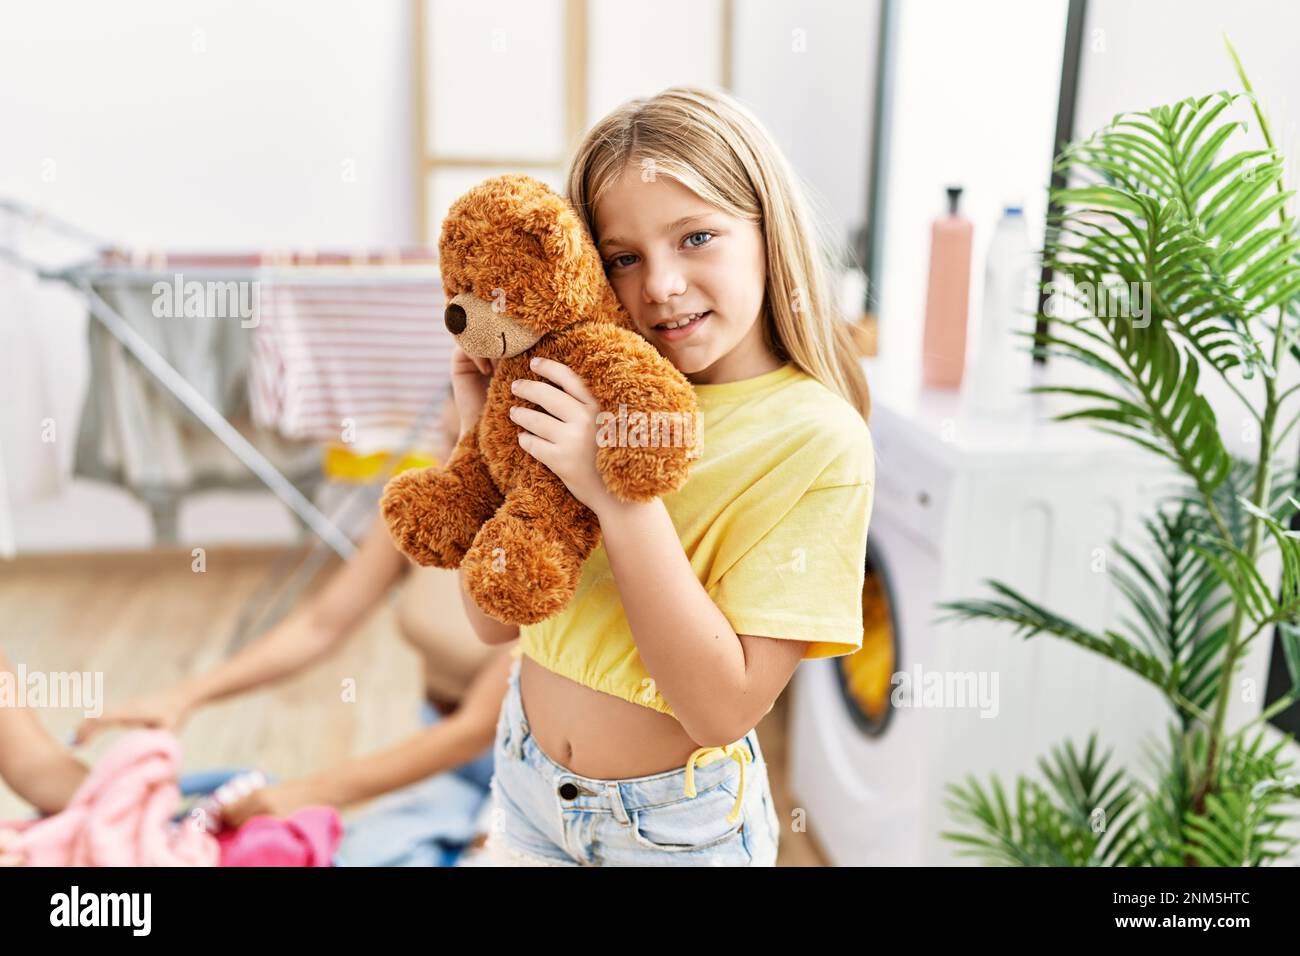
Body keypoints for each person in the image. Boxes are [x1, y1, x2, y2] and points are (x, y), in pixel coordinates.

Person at [457, 86, 875, 866]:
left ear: (767, 232)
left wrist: (614, 494)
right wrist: (478, 430)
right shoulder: (576, 392)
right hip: (523, 779)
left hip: (671, 833)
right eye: (623, 257)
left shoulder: (814, 440)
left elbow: (721, 708)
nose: (661, 286)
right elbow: (493, 623)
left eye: (696, 237)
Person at [75, 397, 514, 863]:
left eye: (466, 448)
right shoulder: (426, 504)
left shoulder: (540, 555)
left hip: (508, 759)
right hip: (440, 751)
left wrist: (311, 790)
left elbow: (473, 731)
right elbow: (320, 625)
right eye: (443, 440)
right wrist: (184, 696)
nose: (445, 463)